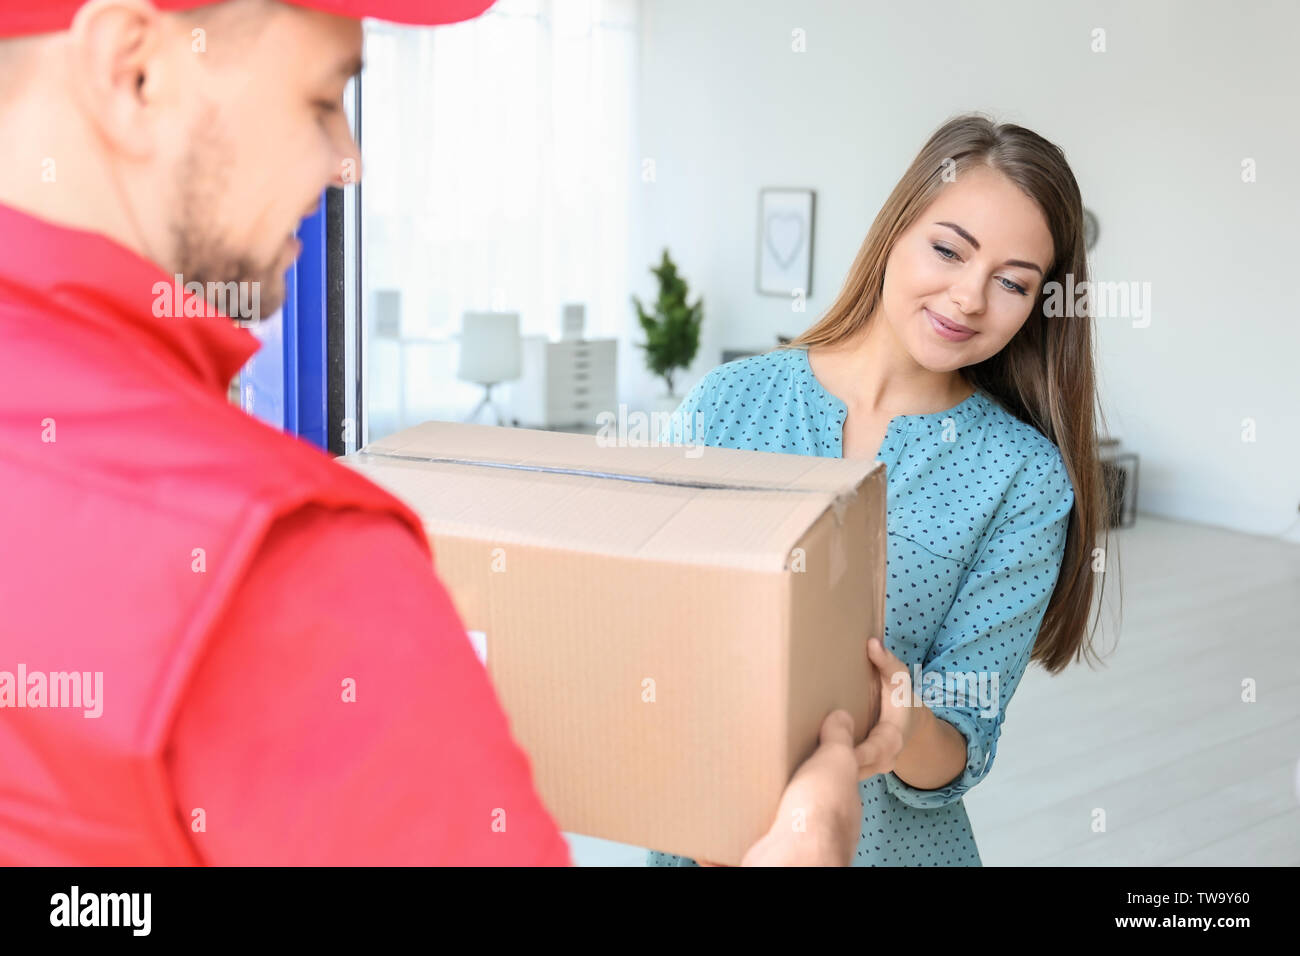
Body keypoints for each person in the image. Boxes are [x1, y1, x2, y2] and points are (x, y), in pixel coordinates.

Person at [0, 0, 865, 866]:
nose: (350, 161)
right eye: (322, 102)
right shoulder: (287, 560)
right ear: (135, 73)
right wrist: (806, 845)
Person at [649, 115, 1112, 867]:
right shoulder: (727, 404)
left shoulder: (1023, 478)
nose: (968, 297)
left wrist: (902, 726)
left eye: (1012, 283)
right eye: (948, 250)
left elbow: (958, 752)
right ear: (896, 229)